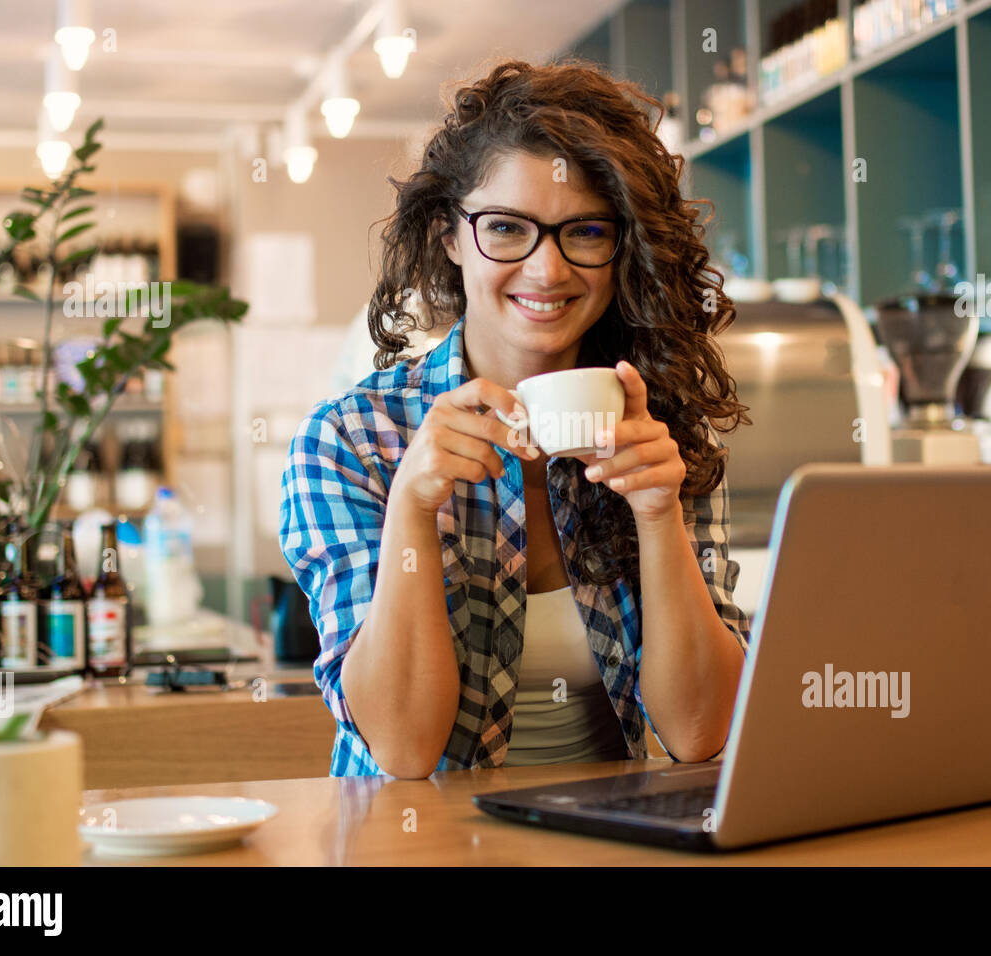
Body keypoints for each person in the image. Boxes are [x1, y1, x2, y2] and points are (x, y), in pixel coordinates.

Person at [279, 59, 752, 778]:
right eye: (505, 228)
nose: (547, 270)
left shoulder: (663, 435)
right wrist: (410, 505)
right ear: (448, 235)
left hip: (612, 841)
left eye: (585, 232)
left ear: (623, 246)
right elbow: (405, 749)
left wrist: (660, 517)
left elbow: (699, 731)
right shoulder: (352, 442)